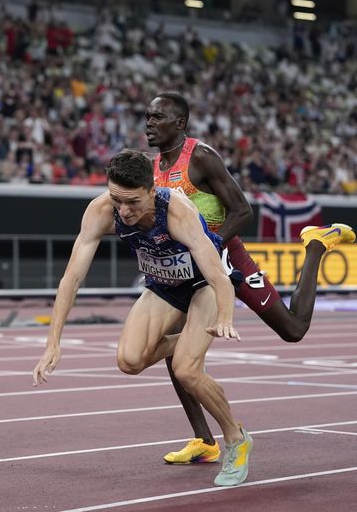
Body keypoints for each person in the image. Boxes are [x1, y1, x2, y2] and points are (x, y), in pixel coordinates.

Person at [146, 93, 356, 464]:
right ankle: (205, 440)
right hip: (189, 270)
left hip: (227, 259)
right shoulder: (152, 168)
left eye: (157, 116)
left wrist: (209, 248)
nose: (148, 122)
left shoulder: (202, 157)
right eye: (146, 115)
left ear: (179, 123)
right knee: (174, 348)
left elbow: (243, 211)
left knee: (292, 329)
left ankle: (317, 246)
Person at [33, 149, 253, 487]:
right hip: (163, 285)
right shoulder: (101, 210)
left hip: (203, 284)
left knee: (186, 370)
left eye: (132, 202)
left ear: (152, 190)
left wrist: (225, 316)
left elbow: (217, 275)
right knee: (129, 361)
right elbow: (71, 279)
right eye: (117, 200)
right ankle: (187, 342)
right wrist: (53, 342)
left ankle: (236, 438)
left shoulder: (176, 211)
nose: (124, 210)